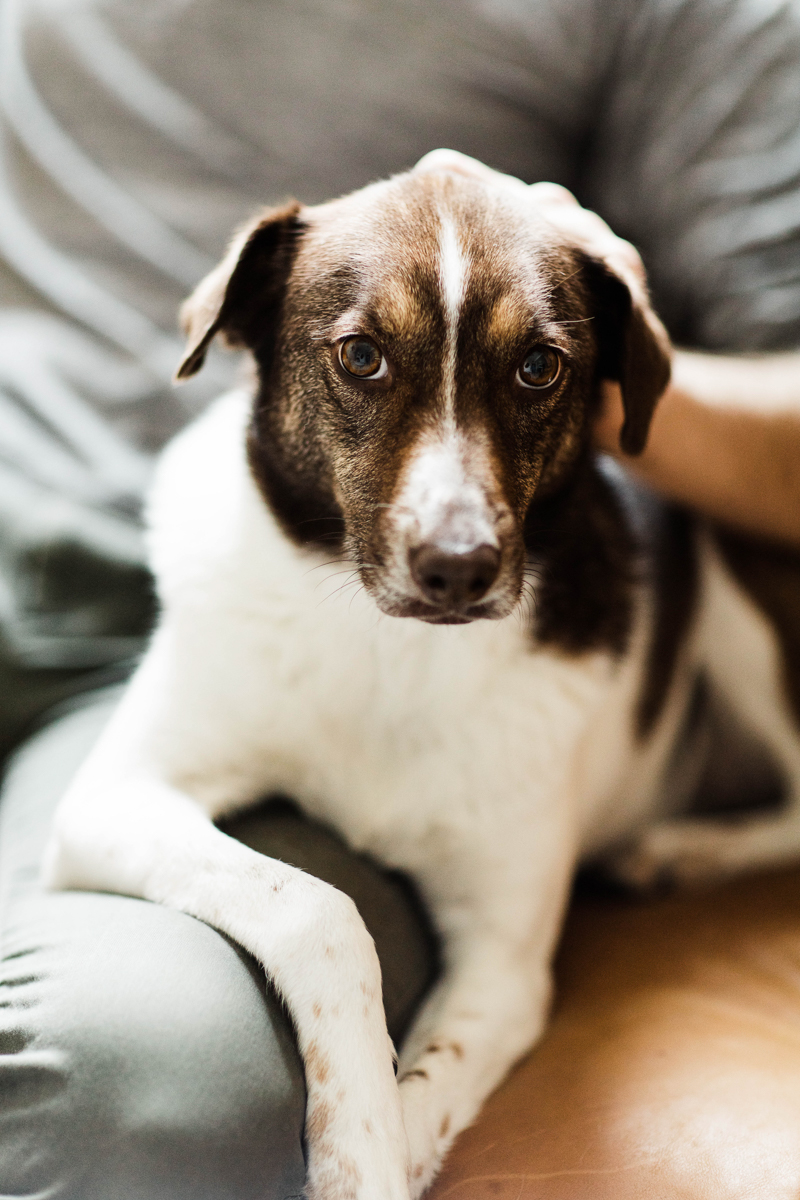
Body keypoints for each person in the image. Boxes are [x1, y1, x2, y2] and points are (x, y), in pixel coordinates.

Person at [1, 0, 799, 1196]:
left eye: (534, 367)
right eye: (362, 359)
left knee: (130, 1087)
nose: (452, 529)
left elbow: (501, 973)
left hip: (199, 645)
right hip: (162, 565)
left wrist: (601, 329)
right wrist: (311, 941)